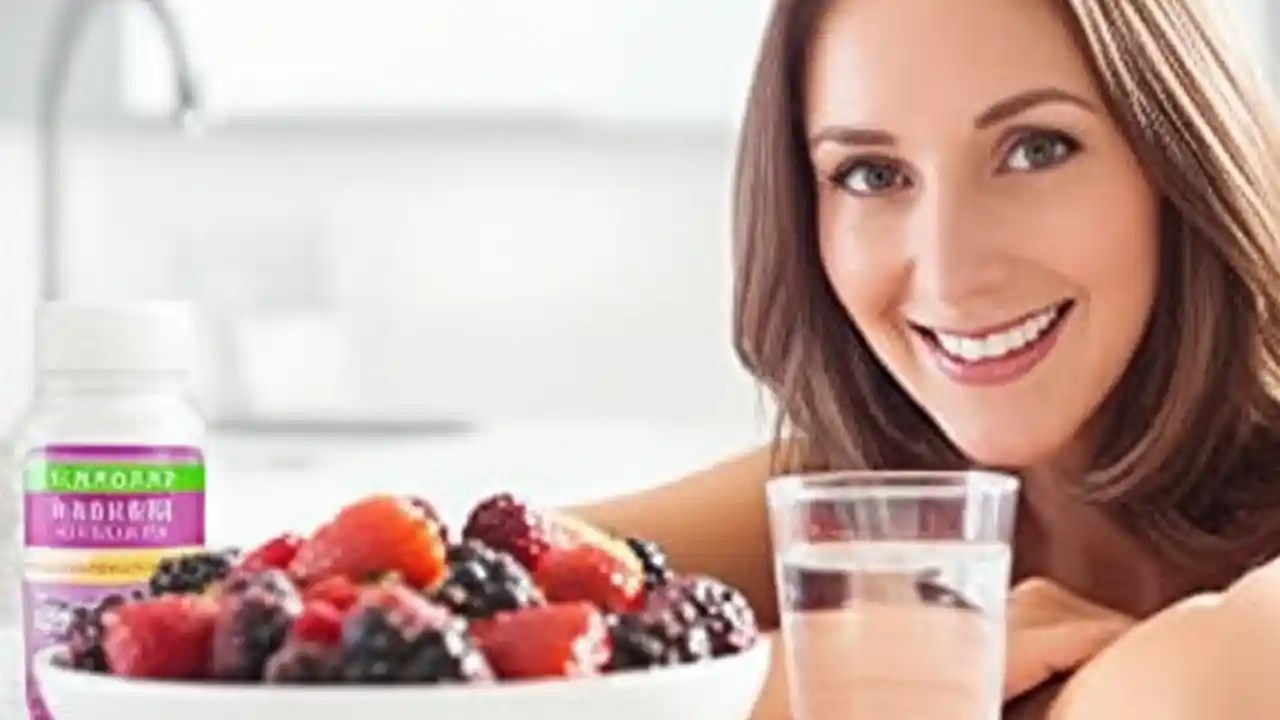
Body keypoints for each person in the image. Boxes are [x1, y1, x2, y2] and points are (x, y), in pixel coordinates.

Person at [569, 0, 1280, 717]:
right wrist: (819, 675)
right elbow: (467, 617)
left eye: (1037, 149)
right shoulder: (864, 500)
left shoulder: (1236, 650)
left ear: (1184, 156)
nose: (949, 274)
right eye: (873, 175)